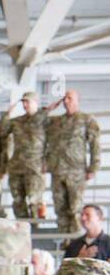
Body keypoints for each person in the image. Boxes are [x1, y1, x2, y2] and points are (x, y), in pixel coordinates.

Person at [45, 88, 101, 234]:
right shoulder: (56, 122)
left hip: (75, 171)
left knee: (75, 209)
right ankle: (66, 242)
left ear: (77, 100)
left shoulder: (86, 119)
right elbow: (45, 141)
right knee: (60, 208)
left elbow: (95, 144)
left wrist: (93, 167)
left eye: (70, 98)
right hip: (57, 170)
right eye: (64, 98)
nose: (66, 101)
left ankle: (76, 241)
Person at [1, 91, 48, 220]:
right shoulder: (17, 121)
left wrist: (46, 161)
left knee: (34, 198)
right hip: (17, 165)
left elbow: (51, 140)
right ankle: (22, 226)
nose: (25, 105)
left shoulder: (43, 119)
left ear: (36, 102)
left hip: (35, 166)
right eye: (24, 102)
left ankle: (36, 227)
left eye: (28, 102)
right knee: (17, 199)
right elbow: (1, 131)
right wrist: (8, 113)